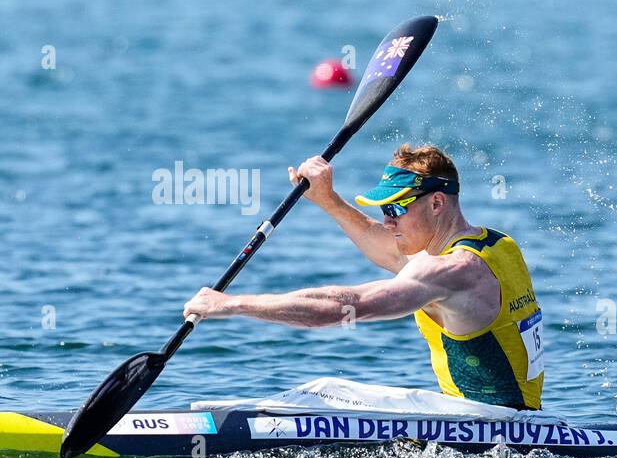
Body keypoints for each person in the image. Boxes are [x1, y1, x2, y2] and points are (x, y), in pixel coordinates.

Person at [182, 143, 544, 410]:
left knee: (322, 394)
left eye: (396, 208)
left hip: (488, 425)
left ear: (436, 203)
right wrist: (327, 199)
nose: (388, 220)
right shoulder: (497, 244)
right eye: (385, 209)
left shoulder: (450, 270)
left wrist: (231, 303)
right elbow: (387, 246)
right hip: (513, 418)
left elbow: (347, 306)